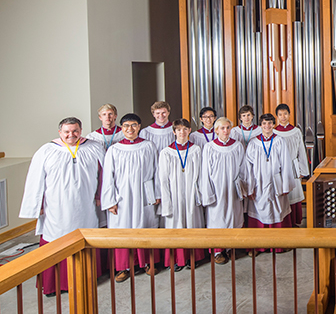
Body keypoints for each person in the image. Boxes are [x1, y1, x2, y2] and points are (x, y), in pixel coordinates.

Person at [19, 117, 105, 296]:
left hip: (85, 206)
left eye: (75, 131)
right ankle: (54, 285)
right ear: (60, 132)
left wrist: (101, 197)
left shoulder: (94, 147)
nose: (71, 135)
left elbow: (104, 175)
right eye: (67, 131)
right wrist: (38, 205)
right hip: (56, 208)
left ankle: (86, 279)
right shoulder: (46, 151)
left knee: (85, 238)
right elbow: (35, 180)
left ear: (80, 131)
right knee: (56, 239)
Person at [101, 113, 161, 282]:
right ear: (121, 128)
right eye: (126, 126)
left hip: (144, 194)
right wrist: (110, 201)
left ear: (139, 127)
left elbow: (157, 170)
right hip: (122, 197)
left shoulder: (149, 146)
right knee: (123, 230)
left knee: (145, 227)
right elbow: (108, 177)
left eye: (134, 125)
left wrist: (157, 193)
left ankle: (148, 262)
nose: (130, 129)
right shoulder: (114, 149)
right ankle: (123, 267)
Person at [200, 117, 250, 264]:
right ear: (216, 130)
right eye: (222, 128)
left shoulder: (237, 146)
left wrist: (243, 187)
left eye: (228, 128)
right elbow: (205, 172)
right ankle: (218, 251)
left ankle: (231, 247)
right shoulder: (209, 147)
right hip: (217, 188)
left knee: (233, 216)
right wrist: (208, 192)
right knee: (217, 219)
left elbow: (243, 168)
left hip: (233, 187)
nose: (225, 131)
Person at [159, 119, 205, 270]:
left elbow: (200, 174)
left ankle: (193, 258)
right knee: (176, 225)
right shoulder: (166, 152)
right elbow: (163, 179)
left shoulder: (196, 150)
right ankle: (178, 260)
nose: (182, 132)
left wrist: (198, 194)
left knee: (192, 223)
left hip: (191, 192)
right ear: (174, 132)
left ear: (190, 131)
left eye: (185, 129)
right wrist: (167, 200)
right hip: (175, 193)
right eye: (179, 130)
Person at [245, 114, 293, 250]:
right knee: (259, 211)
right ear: (260, 125)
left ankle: (279, 245)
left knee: (277, 209)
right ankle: (259, 246)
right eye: (264, 124)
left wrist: (286, 185)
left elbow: (286, 164)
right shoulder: (254, 143)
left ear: (273, 124)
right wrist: (249, 187)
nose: (267, 126)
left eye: (270, 123)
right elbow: (247, 167)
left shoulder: (279, 141)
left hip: (276, 182)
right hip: (258, 183)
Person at [275, 104, 309, 226]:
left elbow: (301, 151)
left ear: (289, 115)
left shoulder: (296, 131)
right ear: (277, 117)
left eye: (285, 114)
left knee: (294, 196)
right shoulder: (274, 132)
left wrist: (302, 170)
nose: (283, 117)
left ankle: (294, 221)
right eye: (280, 114)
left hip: (294, 168)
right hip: (279, 168)